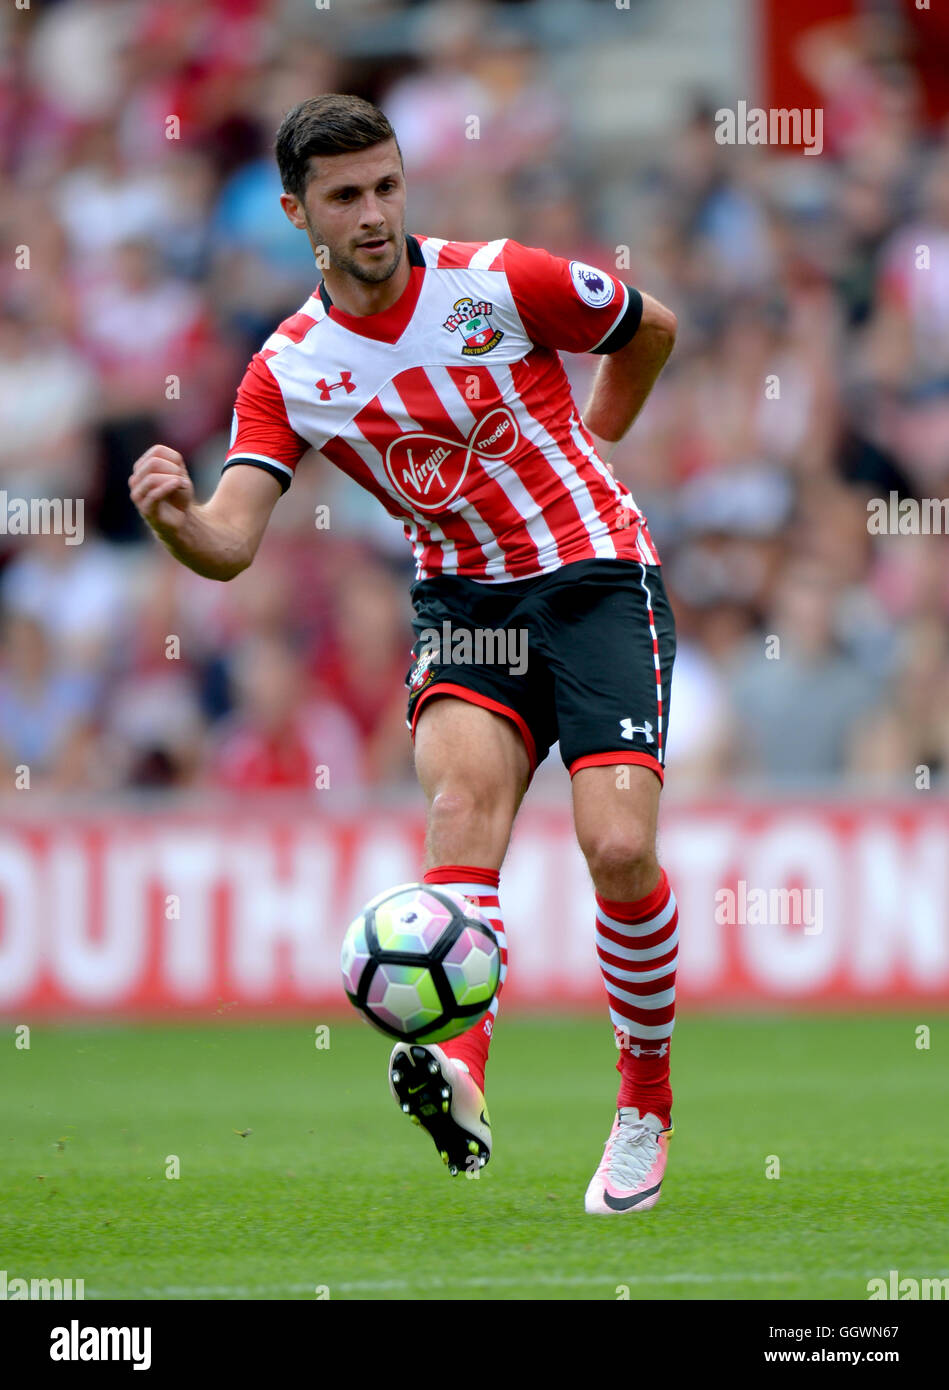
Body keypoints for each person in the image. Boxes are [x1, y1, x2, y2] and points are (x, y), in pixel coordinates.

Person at [129, 94, 680, 1214]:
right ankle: (462, 1071)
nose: (374, 213)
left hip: (594, 576)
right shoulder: (288, 370)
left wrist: (599, 436)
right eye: (345, 196)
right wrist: (179, 521)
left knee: (617, 847)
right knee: (461, 810)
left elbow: (650, 326)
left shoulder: (498, 279)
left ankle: (642, 1103)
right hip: (466, 602)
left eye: (386, 185)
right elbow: (233, 539)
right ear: (296, 213)